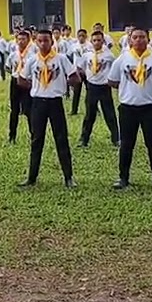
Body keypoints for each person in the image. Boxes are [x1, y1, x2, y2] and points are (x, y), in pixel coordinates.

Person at [107, 28, 152, 190]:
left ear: (148, 40)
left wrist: (151, 88)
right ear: (130, 40)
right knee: (126, 144)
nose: (139, 40)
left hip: (150, 108)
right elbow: (112, 81)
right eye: (135, 37)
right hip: (128, 108)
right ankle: (123, 178)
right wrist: (129, 88)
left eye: (142, 37)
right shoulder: (122, 59)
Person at [18, 29, 79, 189]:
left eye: (46, 40)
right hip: (38, 103)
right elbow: (21, 79)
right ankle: (31, 177)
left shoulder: (61, 59)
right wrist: (35, 88)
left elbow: (75, 77)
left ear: (52, 42)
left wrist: (64, 84)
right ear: (36, 42)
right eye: (40, 41)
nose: (43, 44)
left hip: (55, 103)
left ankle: (68, 177)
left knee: (61, 139)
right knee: (36, 140)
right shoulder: (32, 60)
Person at [77, 29, 119, 147]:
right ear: (91, 41)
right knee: (89, 114)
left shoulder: (109, 56)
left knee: (109, 113)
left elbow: (115, 69)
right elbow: (80, 67)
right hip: (92, 87)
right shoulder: (87, 55)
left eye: (99, 40)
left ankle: (116, 138)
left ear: (103, 41)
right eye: (94, 40)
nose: (96, 42)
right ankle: (84, 139)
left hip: (104, 87)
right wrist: (86, 77)